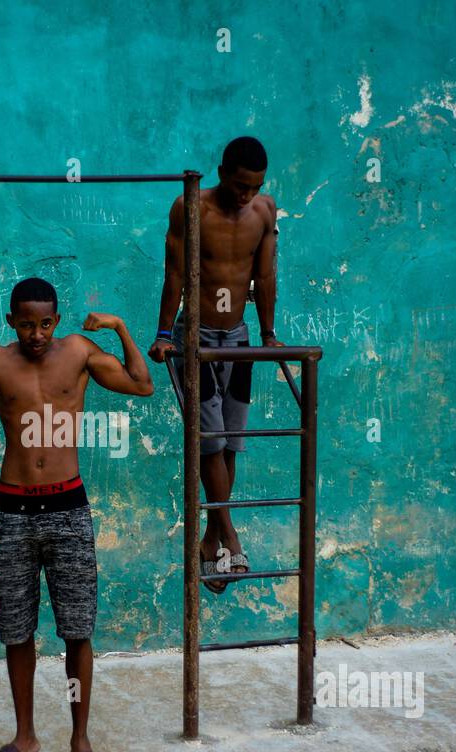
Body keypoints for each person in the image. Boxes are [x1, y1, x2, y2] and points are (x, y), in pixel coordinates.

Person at [0, 276, 153, 752]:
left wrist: (117, 327)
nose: (36, 334)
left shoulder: (78, 351)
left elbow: (142, 382)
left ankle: (80, 742)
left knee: (77, 631)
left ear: (57, 318)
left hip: (68, 507)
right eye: (26, 324)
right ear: (11, 322)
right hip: (13, 511)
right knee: (16, 630)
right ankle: (25, 738)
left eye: (45, 322)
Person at [148, 136, 282, 592]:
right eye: (240, 185)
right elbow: (176, 274)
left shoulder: (264, 212)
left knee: (229, 444)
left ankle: (212, 536)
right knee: (209, 441)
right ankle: (229, 533)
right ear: (222, 172)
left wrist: (267, 334)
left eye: (255, 187)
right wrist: (165, 334)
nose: (246, 195)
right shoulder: (192, 208)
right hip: (196, 338)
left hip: (239, 338)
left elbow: (264, 275)